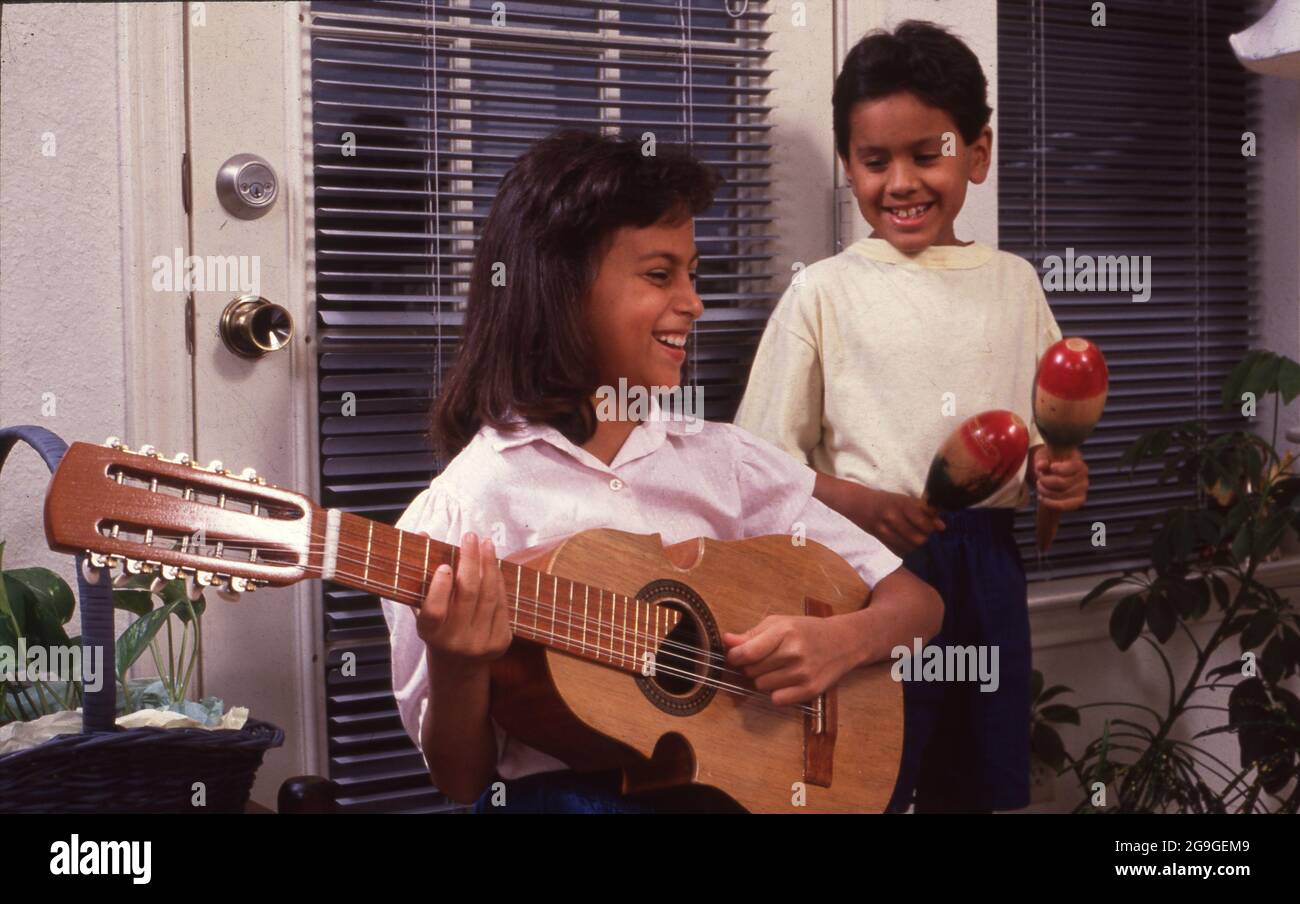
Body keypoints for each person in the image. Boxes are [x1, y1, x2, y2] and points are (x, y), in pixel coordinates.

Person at [380, 128, 943, 813]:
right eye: (659, 274)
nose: (694, 301)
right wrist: (458, 663)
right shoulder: (461, 514)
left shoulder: (722, 462)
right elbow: (460, 779)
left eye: (692, 272)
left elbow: (917, 604)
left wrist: (838, 641)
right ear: (561, 288)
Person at [734, 21, 1090, 813]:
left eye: (928, 154)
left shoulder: (1016, 284)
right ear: (848, 164)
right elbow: (756, 470)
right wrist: (857, 504)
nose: (901, 181)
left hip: (987, 566)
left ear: (979, 153)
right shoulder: (822, 292)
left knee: (977, 782)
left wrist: (1057, 476)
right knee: (869, 780)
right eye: (875, 160)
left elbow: (1041, 447)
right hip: (866, 573)